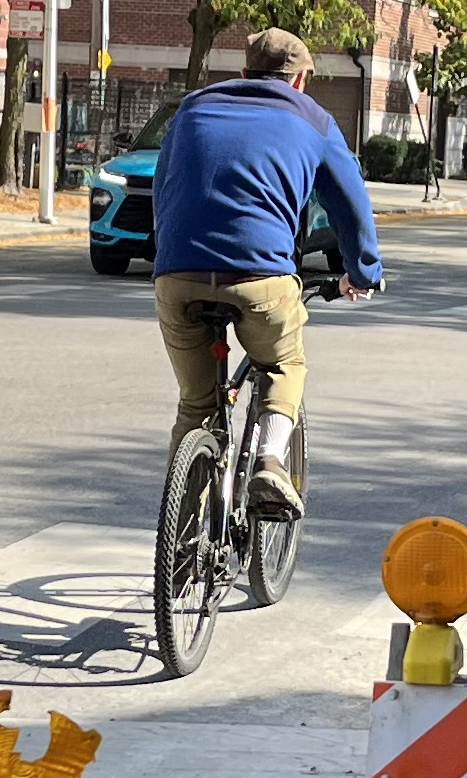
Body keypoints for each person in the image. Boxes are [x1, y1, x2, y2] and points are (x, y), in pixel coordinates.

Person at [149, 29, 383, 520]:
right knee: (283, 365)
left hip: (177, 275)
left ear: (243, 73)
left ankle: (182, 532)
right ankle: (271, 463)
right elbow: (351, 206)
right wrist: (363, 272)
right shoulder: (313, 119)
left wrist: (172, 252)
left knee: (197, 405)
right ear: (299, 78)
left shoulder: (192, 108)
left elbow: (164, 183)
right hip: (262, 276)